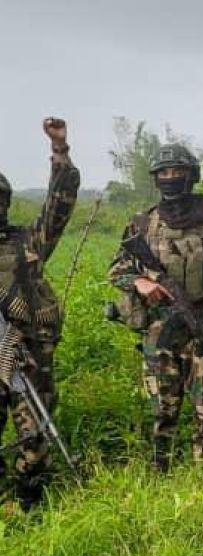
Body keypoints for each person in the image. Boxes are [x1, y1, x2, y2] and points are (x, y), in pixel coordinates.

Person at [108, 88, 203, 471]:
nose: (172, 178)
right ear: (157, 179)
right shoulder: (142, 223)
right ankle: (161, 471)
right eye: (165, 173)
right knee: (164, 406)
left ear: (191, 176)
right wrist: (140, 283)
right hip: (160, 330)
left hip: (202, 322)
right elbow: (117, 269)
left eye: (179, 172)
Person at [0, 117, 80, 508]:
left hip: (26, 360)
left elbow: (59, 206)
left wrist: (60, 150)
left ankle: (29, 503)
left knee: (36, 440)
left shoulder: (26, 245)